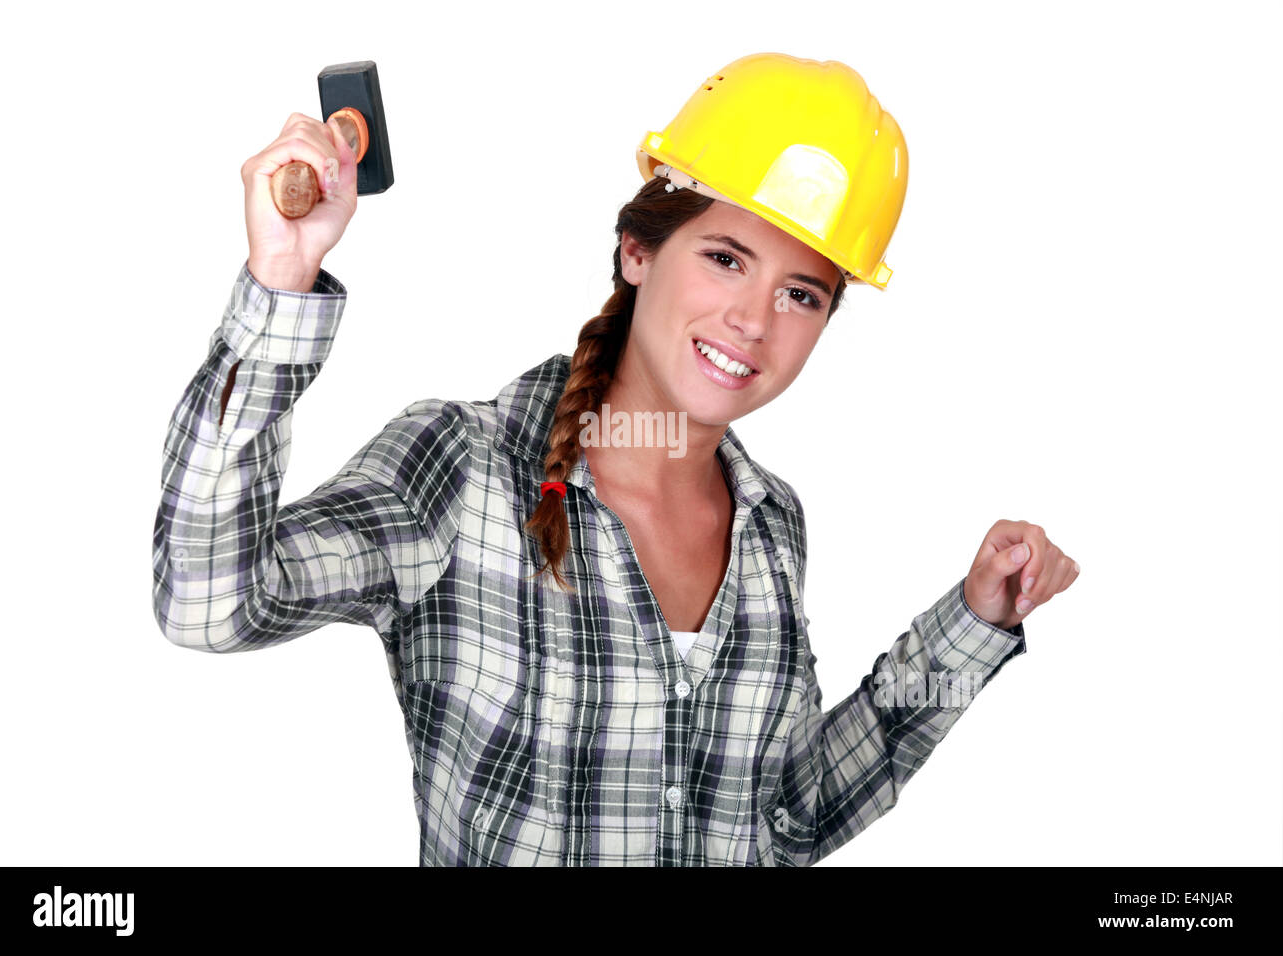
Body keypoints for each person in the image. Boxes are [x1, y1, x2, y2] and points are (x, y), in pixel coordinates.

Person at [152, 52, 1079, 866]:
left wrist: (971, 625)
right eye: (725, 259)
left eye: (802, 293)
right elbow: (208, 603)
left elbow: (791, 817)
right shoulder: (463, 470)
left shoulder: (773, 528)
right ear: (639, 250)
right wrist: (281, 284)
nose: (755, 321)